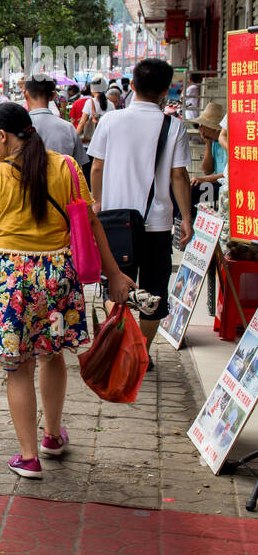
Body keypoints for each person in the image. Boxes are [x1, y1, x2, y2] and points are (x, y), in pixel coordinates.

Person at [0, 102, 133, 479]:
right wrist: (115, 274)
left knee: (18, 367)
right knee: (52, 355)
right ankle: (52, 437)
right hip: (58, 276)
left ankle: (28, 457)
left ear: (4, 136)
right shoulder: (67, 167)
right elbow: (91, 224)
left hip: (14, 278)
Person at [88, 57, 192, 347]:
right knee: (154, 292)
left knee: (114, 289)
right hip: (156, 225)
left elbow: (96, 168)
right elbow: (179, 177)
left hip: (115, 221)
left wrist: (97, 204)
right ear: (165, 91)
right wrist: (186, 219)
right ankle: (141, 354)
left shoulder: (110, 120)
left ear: (131, 85)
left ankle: (120, 350)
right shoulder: (173, 126)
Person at [24, 74, 87, 165]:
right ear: (53, 95)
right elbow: (78, 168)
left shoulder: (17, 126)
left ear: (25, 94)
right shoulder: (68, 128)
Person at [187, 102, 227, 216]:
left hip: (225, 184)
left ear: (214, 128)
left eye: (203, 126)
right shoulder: (214, 142)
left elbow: (228, 174)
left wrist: (205, 179)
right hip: (217, 182)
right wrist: (208, 144)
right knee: (188, 188)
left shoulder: (227, 142)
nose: (201, 129)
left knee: (194, 190)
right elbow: (207, 169)